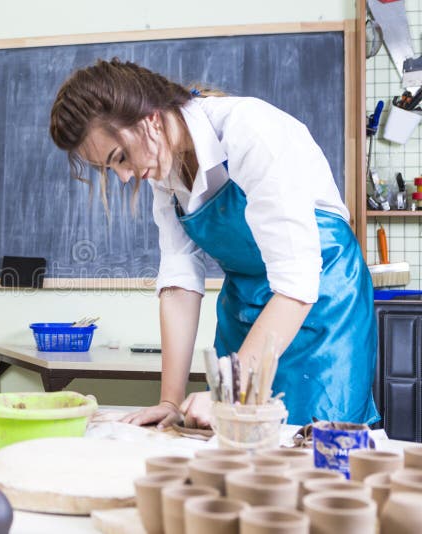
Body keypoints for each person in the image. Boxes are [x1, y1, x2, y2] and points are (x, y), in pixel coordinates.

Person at [49, 59, 378, 428]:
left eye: (121, 158)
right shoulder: (165, 168)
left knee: (315, 450)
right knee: (232, 448)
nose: (125, 177)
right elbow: (179, 285)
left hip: (319, 304)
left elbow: (298, 282)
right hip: (245, 310)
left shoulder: (250, 129)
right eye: (112, 169)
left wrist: (235, 387)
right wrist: (170, 402)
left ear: (150, 120)